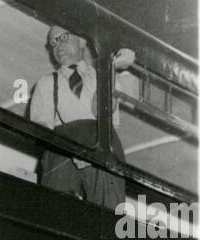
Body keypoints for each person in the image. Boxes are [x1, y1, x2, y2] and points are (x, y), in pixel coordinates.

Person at [28, 25, 135, 209]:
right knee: (56, 210)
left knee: (108, 210)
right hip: (61, 146)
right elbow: (40, 129)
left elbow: (103, 113)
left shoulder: (103, 75)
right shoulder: (46, 83)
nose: (58, 46)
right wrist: (70, 149)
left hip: (101, 140)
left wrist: (111, 70)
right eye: (53, 42)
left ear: (82, 41)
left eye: (63, 38)